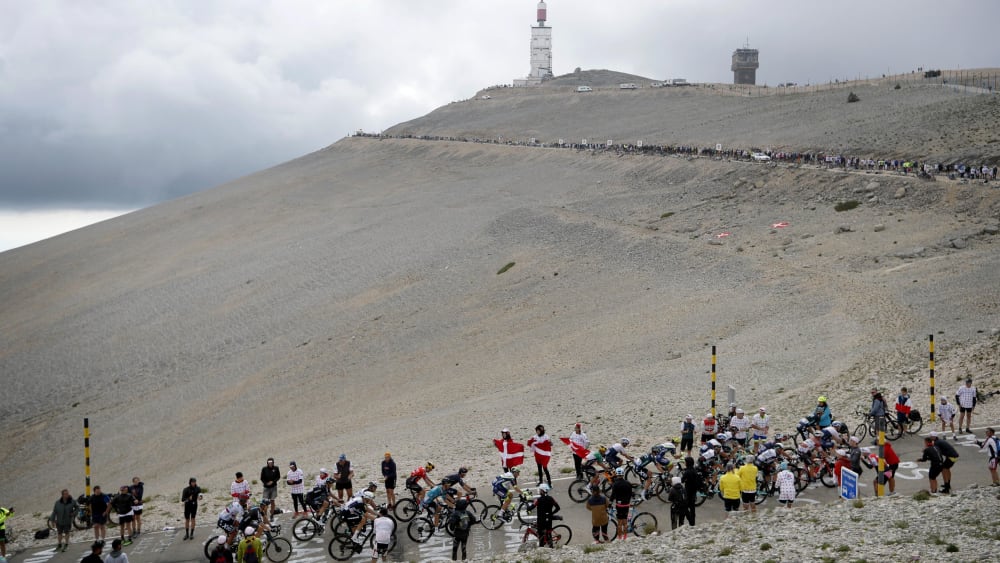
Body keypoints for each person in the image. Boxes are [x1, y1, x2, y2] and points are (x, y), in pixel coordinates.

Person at [533, 483, 560, 548]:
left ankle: (541, 548)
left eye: (540, 490)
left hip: (541, 520)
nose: (539, 491)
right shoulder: (551, 498)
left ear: (542, 491)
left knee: (541, 534)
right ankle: (551, 547)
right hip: (549, 519)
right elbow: (558, 508)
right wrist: (551, 514)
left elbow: (531, 507)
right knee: (549, 532)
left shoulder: (538, 500)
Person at [609, 467, 632, 540]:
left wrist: (610, 503)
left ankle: (619, 537)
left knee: (619, 523)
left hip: (619, 505)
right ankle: (625, 537)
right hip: (626, 504)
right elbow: (631, 493)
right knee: (625, 522)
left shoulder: (615, 484)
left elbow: (613, 495)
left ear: (617, 474)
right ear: (623, 474)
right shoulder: (628, 483)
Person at [681, 456, 701, 526]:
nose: (684, 463)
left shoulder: (687, 472)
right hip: (694, 491)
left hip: (688, 491)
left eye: (685, 462)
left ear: (687, 463)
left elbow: (682, 480)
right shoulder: (695, 470)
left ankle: (690, 520)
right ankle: (693, 523)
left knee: (685, 507)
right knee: (692, 508)